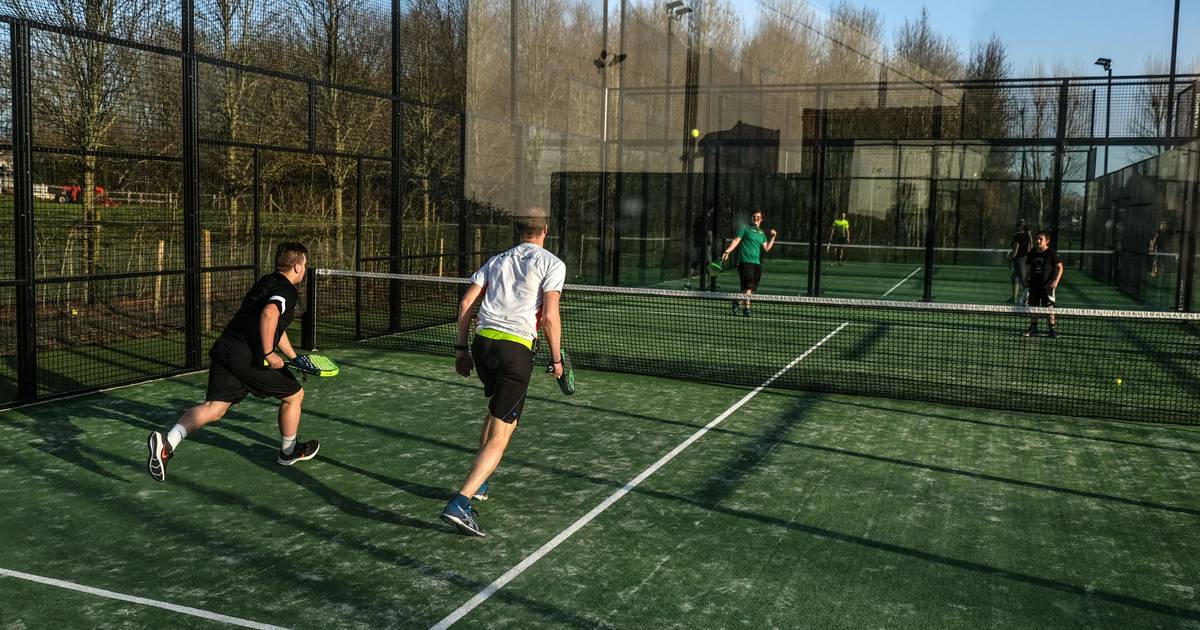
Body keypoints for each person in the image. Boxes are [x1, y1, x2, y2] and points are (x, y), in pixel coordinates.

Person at [146, 243, 318, 482]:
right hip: (248, 355)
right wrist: (268, 353)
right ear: (298, 266)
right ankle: (289, 451)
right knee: (294, 396)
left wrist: (293, 357)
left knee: (214, 408)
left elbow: (274, 326)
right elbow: (269, 315)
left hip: (225, 347)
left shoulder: (266, 281)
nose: (305, 269)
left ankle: (167, 444)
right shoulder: (288, 290)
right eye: (305, 265)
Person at [441, 207, 566, 537]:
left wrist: (461, 349)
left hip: (483, 345)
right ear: (545, 230)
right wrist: (556, 360)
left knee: (497, 410)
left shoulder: (497, 260)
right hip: (515, 351)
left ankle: (480, 483)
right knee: (502, 433)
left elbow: (467, 302)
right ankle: (461, 502)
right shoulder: (552, 264)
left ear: (518, 230)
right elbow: (550, 317)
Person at [720, 209, 777, 317]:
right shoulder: (745, 229)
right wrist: (727, 251)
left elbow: (767, 248)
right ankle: (747, 308)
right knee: (749, 287)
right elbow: (736, 240)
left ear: (761, 219)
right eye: (754, 216)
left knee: (749, 289)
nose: (755, 218)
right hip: (745, 262)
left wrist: (773, 237)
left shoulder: (762, 233)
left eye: (758, 217)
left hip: (757, 264)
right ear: (751, 218)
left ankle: (736, 302)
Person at [1023, 231, 1064, 338]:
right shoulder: (1032, 253)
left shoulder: (1051, 253)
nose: (1038, 241)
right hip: (1034, 285)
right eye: (1037, 239)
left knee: (1049, 308)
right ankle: (1033, 328)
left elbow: (1060, 267)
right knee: (1034, 307)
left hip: (1047, 286)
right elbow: (1028, 267)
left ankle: (1051, 329)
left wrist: (1055, 281)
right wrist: (1025, 278)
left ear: (1047, 241)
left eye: (1041, 239)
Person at [684, 205, 712, 290]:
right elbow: (709, 233)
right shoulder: (707, 220)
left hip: (696, 244)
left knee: (695, 264)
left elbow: (694, 231)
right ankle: (708, 285)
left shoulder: (697, 219)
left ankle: (687, 283)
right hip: (703, 246)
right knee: (709, 264)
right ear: (710, 210)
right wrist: (709, 244)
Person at [1007, 219, 1033, 303]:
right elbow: (1029, 249)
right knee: (1014, 277)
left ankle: (1029, 299)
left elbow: (1015, 251)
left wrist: (1010, 259)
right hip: (1026, 258)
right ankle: (1014, 298)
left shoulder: (1017, 236)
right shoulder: (1028, 237)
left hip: (1019, 260)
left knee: (1023, 280)